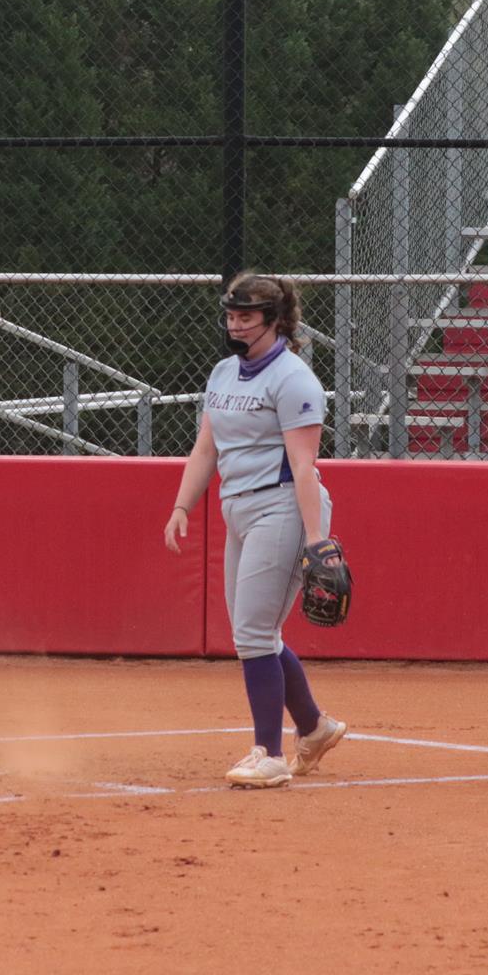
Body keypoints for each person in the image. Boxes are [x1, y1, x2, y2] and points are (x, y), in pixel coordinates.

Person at [163, 272, 348, 790]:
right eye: (231, 315)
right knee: (257, 632)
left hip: (283, 509)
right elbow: (207, 448)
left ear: (274, 320)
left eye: (246, 317)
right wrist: (182, 504)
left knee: (251, 633)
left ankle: (267, 752)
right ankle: (314, 727)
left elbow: (304, 465)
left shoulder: (294, 380)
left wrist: (316, 538)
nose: (235, 324)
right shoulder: (224, 372)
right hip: (238, 509)